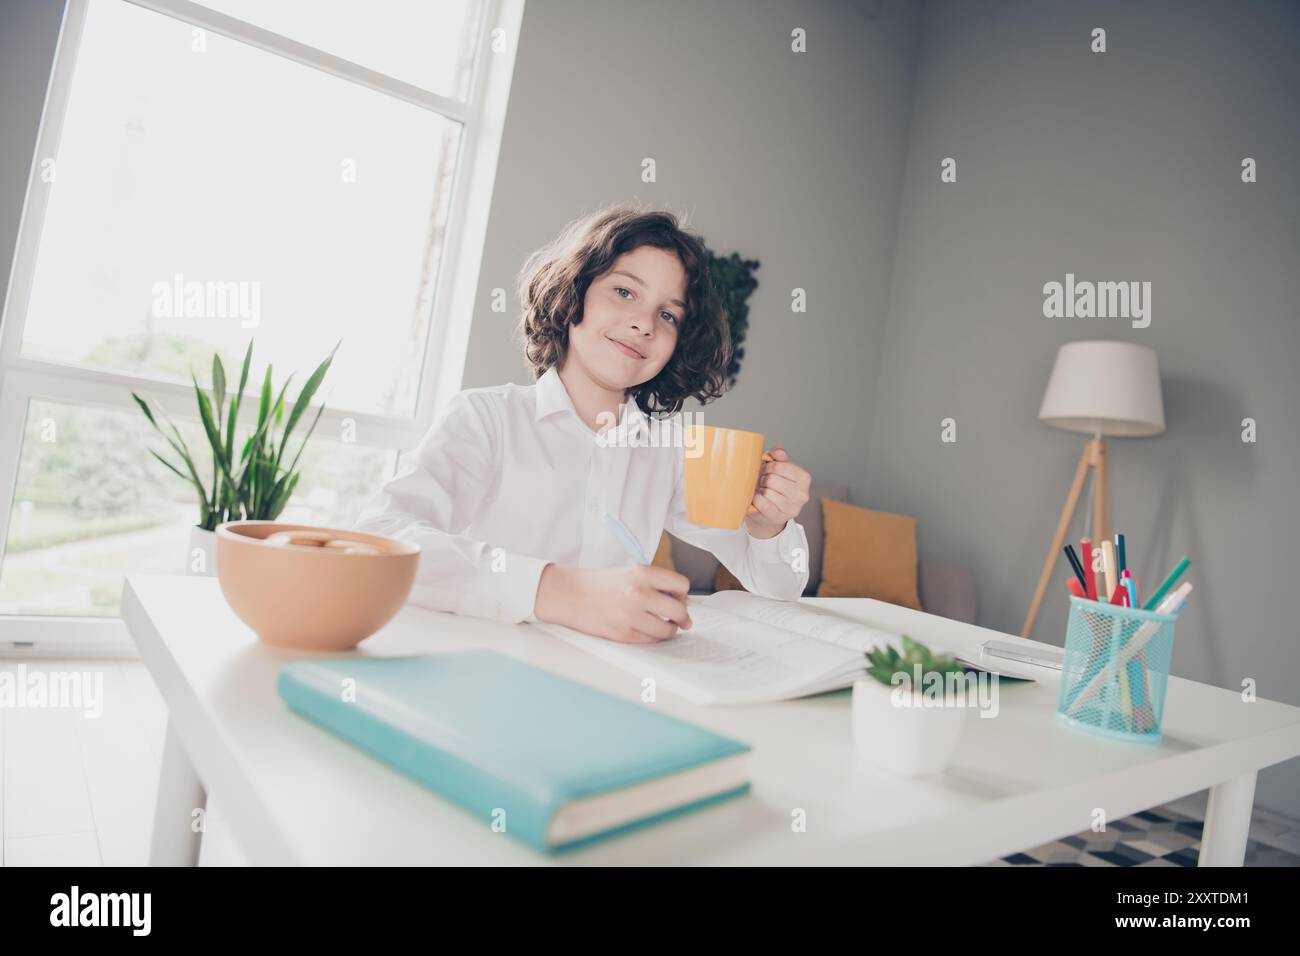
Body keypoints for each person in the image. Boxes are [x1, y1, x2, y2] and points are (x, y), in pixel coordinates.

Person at [354, 204, 812, 643]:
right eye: (625, 292)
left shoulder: (671, 452)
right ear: (575, 291)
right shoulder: (486, 419)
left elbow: (781, 588)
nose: (644, 323)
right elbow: (381, 539)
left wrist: (769, 526)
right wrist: (556, 591)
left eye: (668, 314)